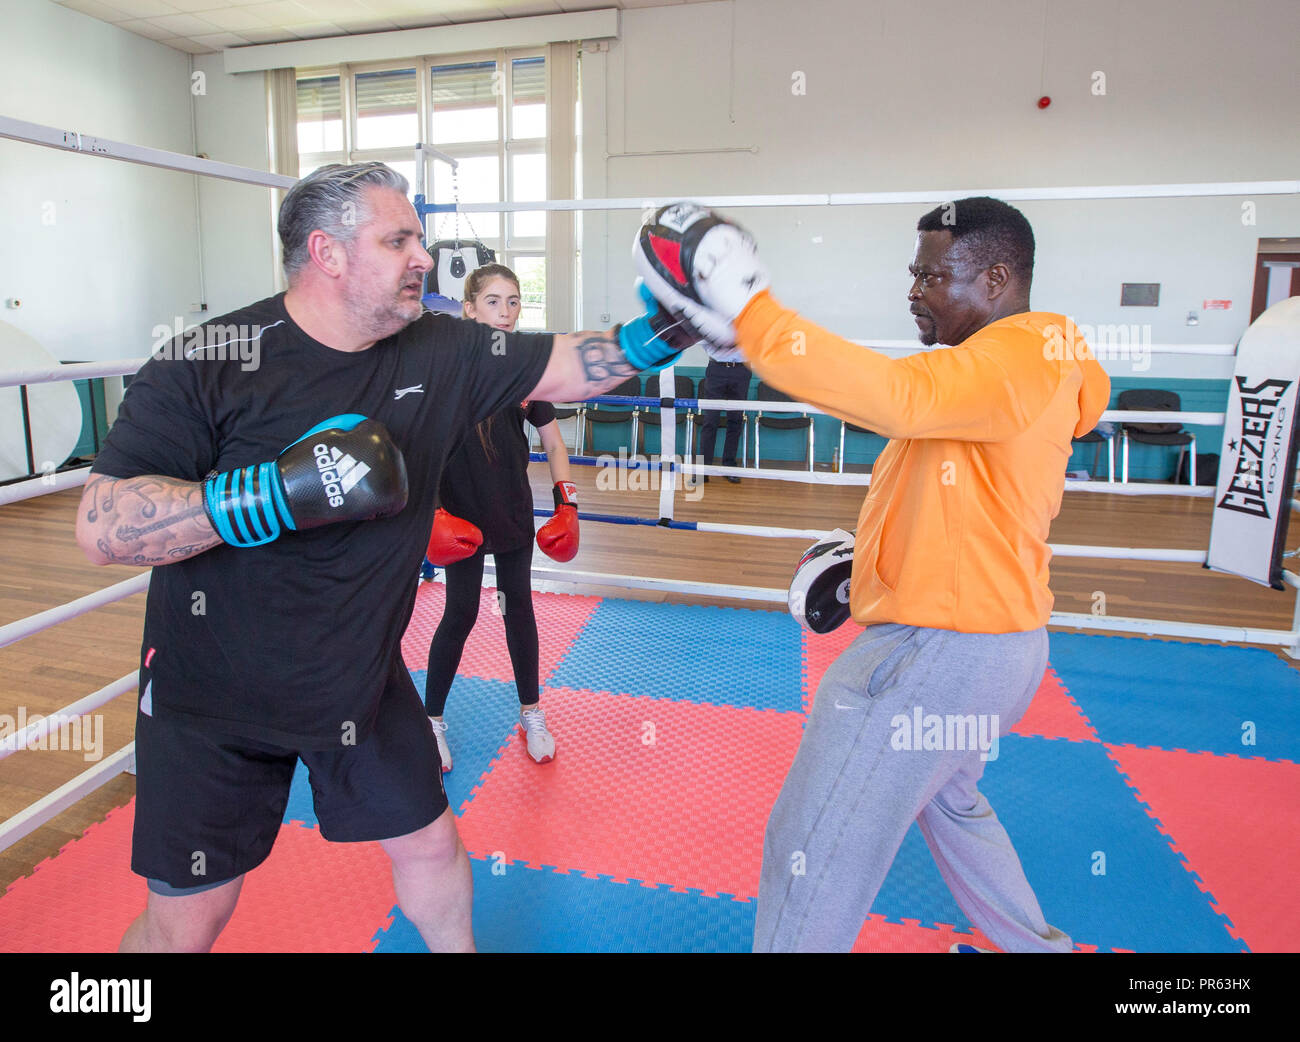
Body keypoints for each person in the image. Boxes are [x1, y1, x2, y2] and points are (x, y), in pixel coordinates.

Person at [74, 162, 699, 953]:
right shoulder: (210, 357)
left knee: (432, 843)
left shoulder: (442, 347)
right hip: (211, 693)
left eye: (420, 240)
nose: (424, 259)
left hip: (357, 678)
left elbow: (568, 363)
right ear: (326, 252)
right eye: (398, 239)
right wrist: (274, 494)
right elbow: (100, 528)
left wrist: (673, 329)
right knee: (189, 917)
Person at [635, 197, 1110, 953]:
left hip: (939, 652)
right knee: (953, 807)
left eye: (933, 276)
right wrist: (875, 559)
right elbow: (958, 479)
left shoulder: (1019, 355)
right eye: (913, 273)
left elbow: (895, 400)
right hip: (998, 642)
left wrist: (752, 316)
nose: (915, 291)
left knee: (812, 845)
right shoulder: (1020, 365)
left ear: (995, 279)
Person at [423, 263, 577, 769]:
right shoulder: (445, 372)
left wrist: (566, 502)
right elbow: (415, 447)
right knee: (460, 613)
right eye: (493, 301)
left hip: (510, 512)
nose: (506, 312)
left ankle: (531, 712)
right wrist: (433, 512)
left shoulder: (527, 373)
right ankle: (432, 720)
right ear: (468, 309)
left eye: (513, 301)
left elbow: (554, 444)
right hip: (459, 516)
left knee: (518, 611)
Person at [696, 354, 751, 483]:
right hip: (716, 367)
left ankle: (729, 467)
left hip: (741, 369)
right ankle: (702, 471)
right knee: (710, 421)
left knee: (735, 420)